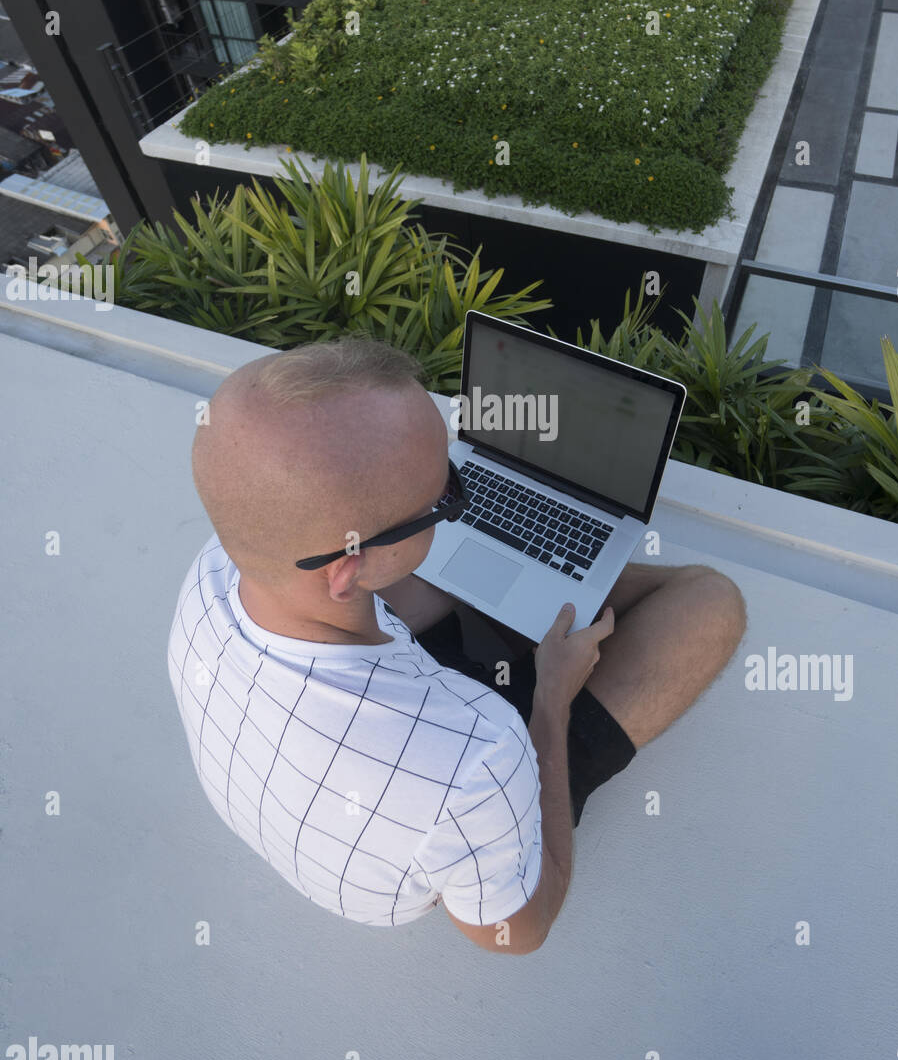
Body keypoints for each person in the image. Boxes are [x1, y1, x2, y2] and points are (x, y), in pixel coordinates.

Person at [167, 335, 746, 953]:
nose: (458, 500)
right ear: (348, 572)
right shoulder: (480, 759)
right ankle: (577, 594)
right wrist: (551, 701)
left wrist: (412, 512)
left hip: (334, 763)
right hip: (437, 790)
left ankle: (551, 582)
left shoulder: (214, 573)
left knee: (432, 566)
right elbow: (516, 934)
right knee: (711, 601)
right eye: (448, 499)